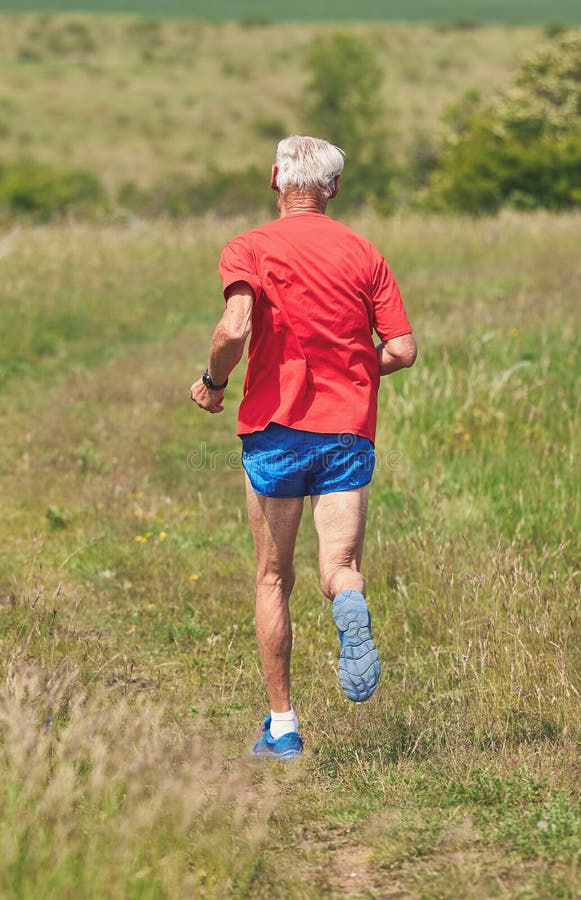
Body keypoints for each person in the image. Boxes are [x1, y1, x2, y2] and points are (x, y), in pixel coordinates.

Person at [190, 135, 417, 759]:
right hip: (347, 430)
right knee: (338, 566)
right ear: (333, 188)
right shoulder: (364, 253)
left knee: (272, 577)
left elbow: (234, 328)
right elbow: (401, 349)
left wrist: (214, 383)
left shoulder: (249, 248)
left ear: (275, 179)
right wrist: (354, 369)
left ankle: (284, 729)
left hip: (275, 432)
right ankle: (350, 598)